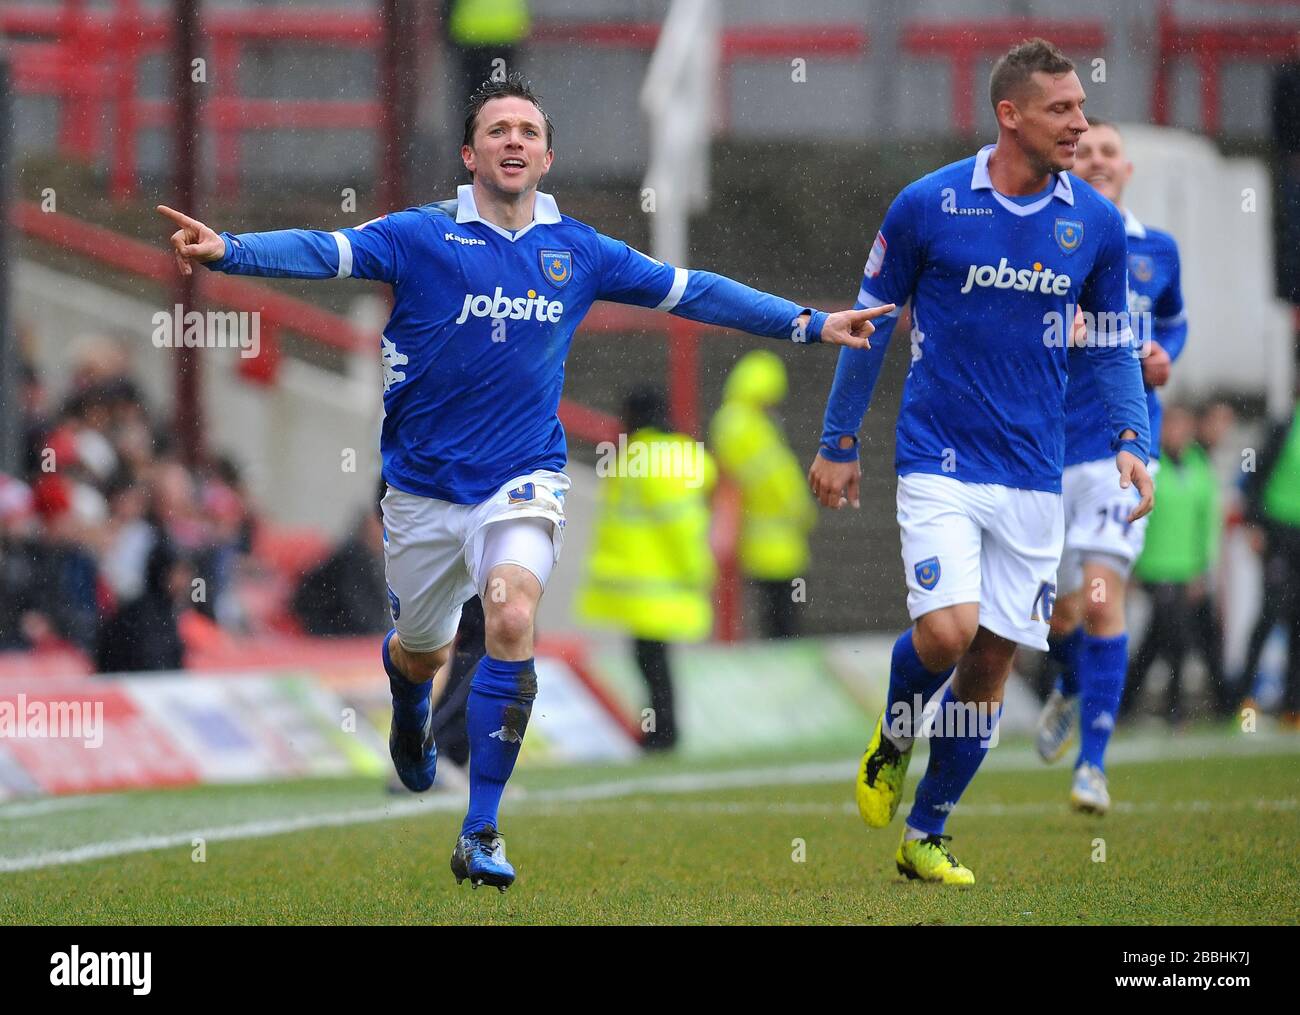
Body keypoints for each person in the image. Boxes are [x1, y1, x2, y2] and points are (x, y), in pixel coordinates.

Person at [159, 75, 889, 892]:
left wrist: (808, 321)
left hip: (522, 479)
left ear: (547, 155)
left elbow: (694, 293)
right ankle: (409, 704)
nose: (513, 139)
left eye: (528, 130)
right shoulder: (418, 236)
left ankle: (481, 827)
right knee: (422, 650)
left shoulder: (578, 251)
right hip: (422, 492)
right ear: (470, 153)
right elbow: (328, 252)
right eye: (497, 128)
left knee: (510, 611)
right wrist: (232, 250)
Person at [808, 39, 1152, 885]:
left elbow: (1112, 346)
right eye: (1061, 110)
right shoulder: (929, 205)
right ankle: (894, 734)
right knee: (947, 632)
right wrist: (839, 439)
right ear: (1010, 114)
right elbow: (871, 319)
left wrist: (1131, 439)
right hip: (940, 458)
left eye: (1080, 108)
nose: (1078, 123)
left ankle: (928, 830)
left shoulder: (1096, 225)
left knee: (993, 660)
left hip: (1036, 473)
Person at [1034, 119, 1188, 814]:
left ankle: (1092, 766)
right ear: (1069, 165)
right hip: (1044, 452)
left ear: (1125, 170)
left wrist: (1165, 357)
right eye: (1084, 150)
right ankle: (1068, 684)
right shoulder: (1044, 241)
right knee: (1059, 617)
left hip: (1118, 452)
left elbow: (1174, 320)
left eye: (1107, 153)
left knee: (1101, 601)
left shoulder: (1157, 251)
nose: (1095, 160)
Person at [577, 387, 717, 750]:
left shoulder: (644, 456)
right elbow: (684, 519)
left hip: (651, 580)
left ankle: (663, 730)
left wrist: (697, 568)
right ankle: (661, 727)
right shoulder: (675, 453)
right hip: (662, 578)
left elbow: (675, 521)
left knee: (651, 658)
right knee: (652, 656)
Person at [1122, 405, 1220, 725]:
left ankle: (1126, 707)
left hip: (1186, 568)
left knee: (1158, 639)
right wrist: (1131, 564)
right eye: (1171, 427)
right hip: (1154, 565)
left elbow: (1207, 520)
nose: (1176, 433)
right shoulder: (1150, 465)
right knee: (1176, 637)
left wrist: (1202, 568)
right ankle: (1175, 710)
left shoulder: (1198, 465)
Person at [709, 350, 816, 638]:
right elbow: (775, 475)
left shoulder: (733, 419)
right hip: (774, 537)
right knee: (783, 614)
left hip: (757, 532)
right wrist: (800, 508)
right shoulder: (746, 423)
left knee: (775, 610)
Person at [1239, 395, 1300, 728]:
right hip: (1279, 535)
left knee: (1298, 621)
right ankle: (1245, 700)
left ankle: (1293, 706)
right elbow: (1253, 470)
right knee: (1271, 613)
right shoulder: (1283, 426)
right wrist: (1254, 523)